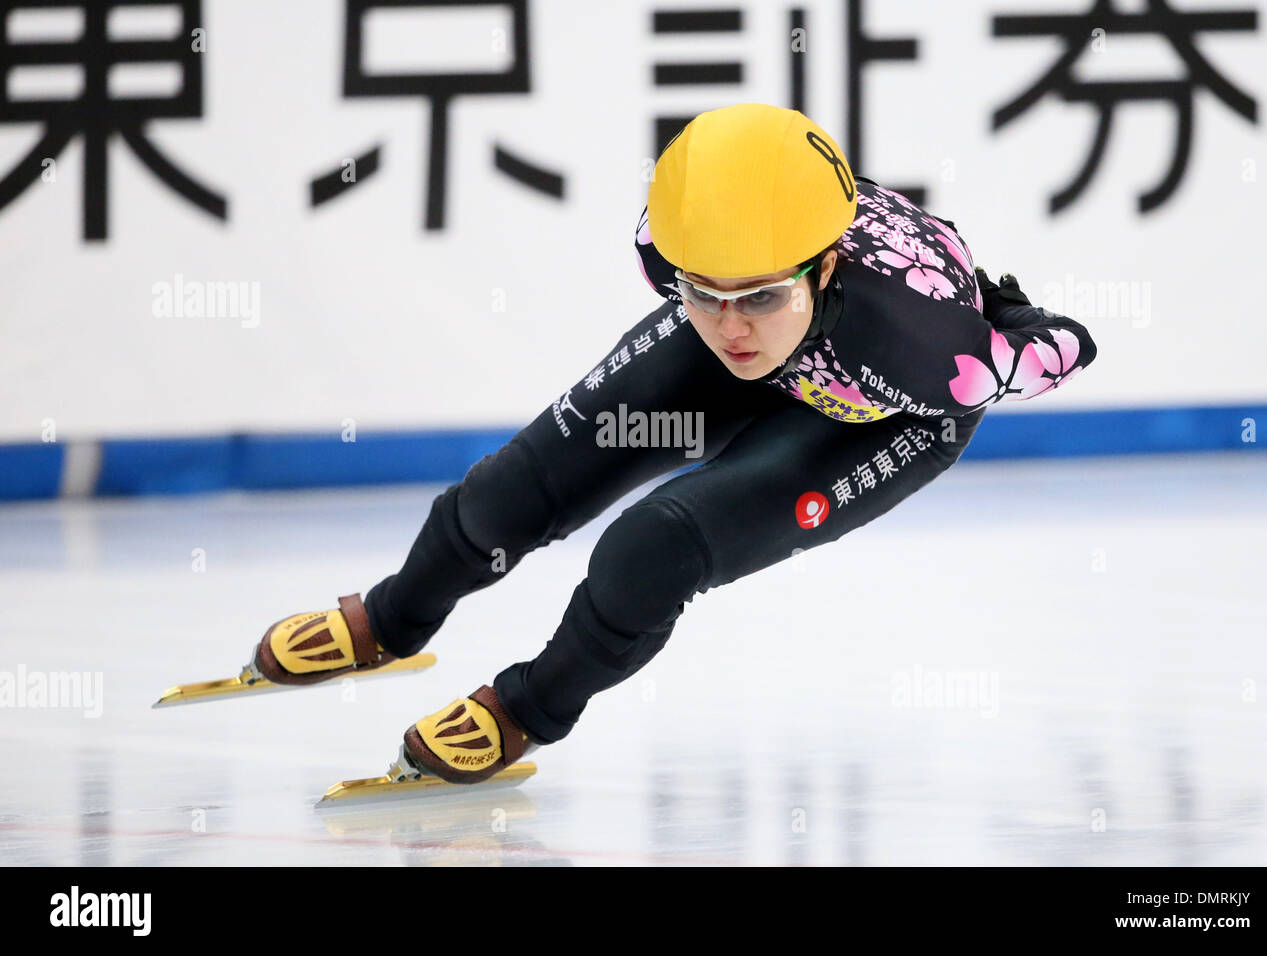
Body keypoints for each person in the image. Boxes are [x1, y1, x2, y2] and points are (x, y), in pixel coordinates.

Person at [246, 103, 1097, 783]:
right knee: (531, 477)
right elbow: (727, 301)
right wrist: (738, 301)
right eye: (704, 293)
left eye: (757, 297)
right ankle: (395, 618)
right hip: (798, 349)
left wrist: (1025, 322)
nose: (729, 324)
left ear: (825, 267)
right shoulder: (672, 245)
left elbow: (1070, 347)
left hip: (880, 412)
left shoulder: (935, 357)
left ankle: (529, 709)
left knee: (656, 544)